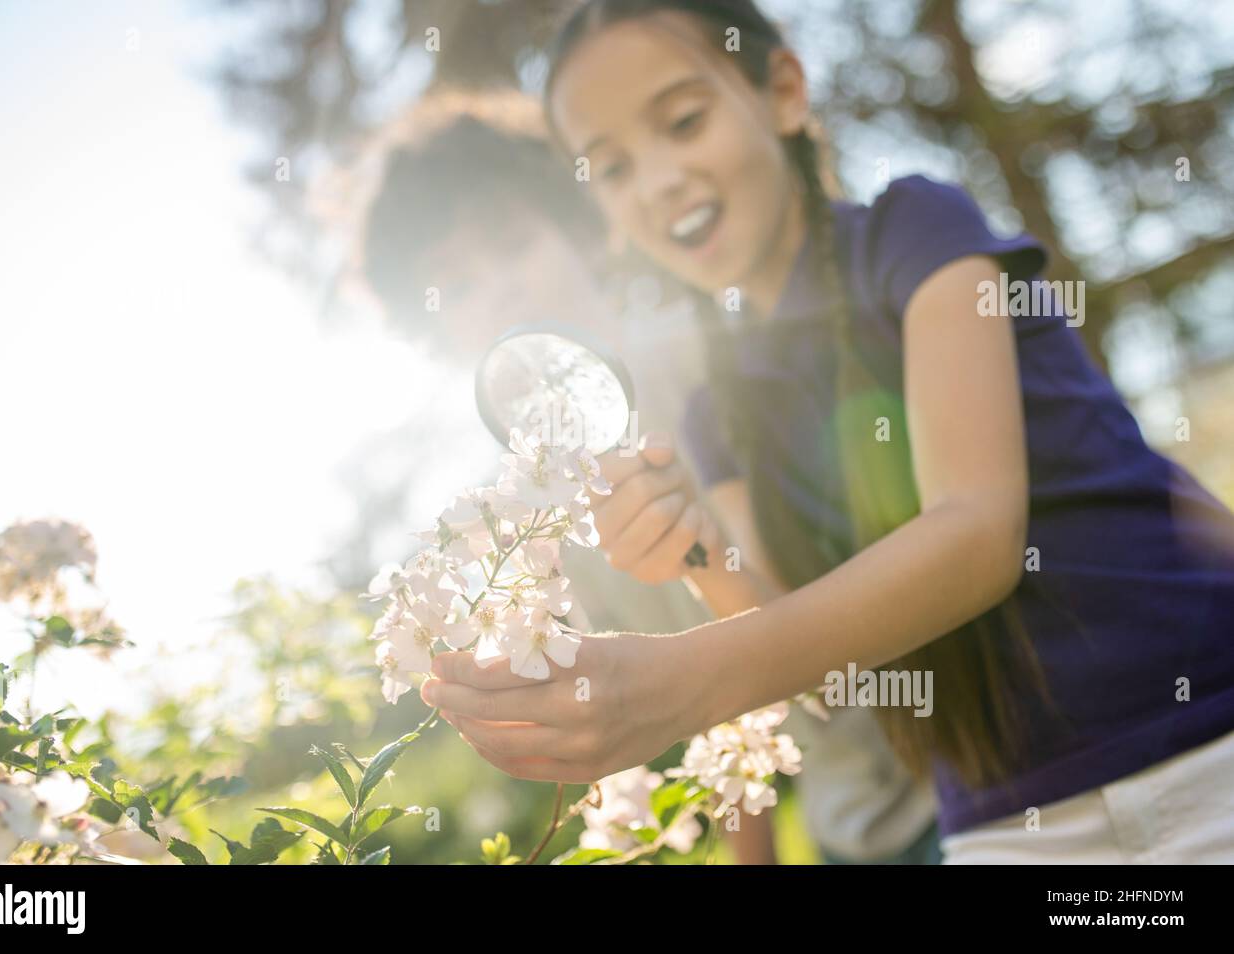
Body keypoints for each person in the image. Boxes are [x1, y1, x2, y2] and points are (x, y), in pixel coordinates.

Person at [419, 0, 1234, 863]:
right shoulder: (714, 411)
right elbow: (810, 671)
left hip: (1206, 738)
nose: (657, 181)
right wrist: (694, 553)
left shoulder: (918, 231)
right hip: (1006, 819)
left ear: (781, 91)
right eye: (612, 169)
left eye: (683, 122)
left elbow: (979, 534)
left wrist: (684, 681)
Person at [361, 89, 940, 864]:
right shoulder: (542, 525)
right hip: (855, 832)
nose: (497, 287)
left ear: (583, 230)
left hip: (969, 778)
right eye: (456, 284)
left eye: (510, 243)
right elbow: (709, 700)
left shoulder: (733, 353)